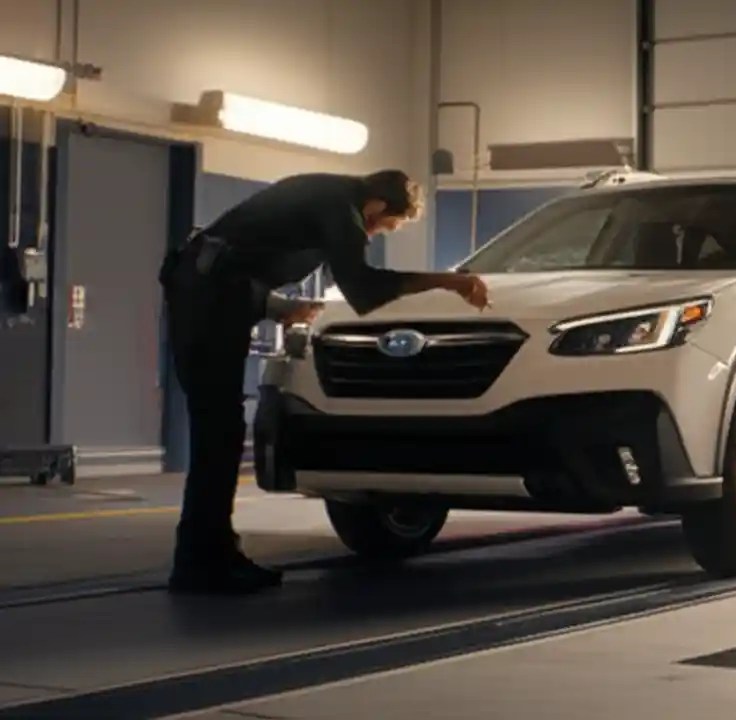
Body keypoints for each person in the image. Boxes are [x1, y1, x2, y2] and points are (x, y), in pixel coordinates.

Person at [159, 169, 489, 595]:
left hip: (205, 295)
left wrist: (282, 308)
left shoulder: (325, 194)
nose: (372, 236)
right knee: (218, 433)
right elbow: (363, 290)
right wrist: (452, 282)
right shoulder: (342, 208)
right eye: (383, 226)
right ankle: (201, 562)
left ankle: (208, 553)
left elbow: (238, 259)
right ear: (377, 207)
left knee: (218, 433)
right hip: (207, 305)